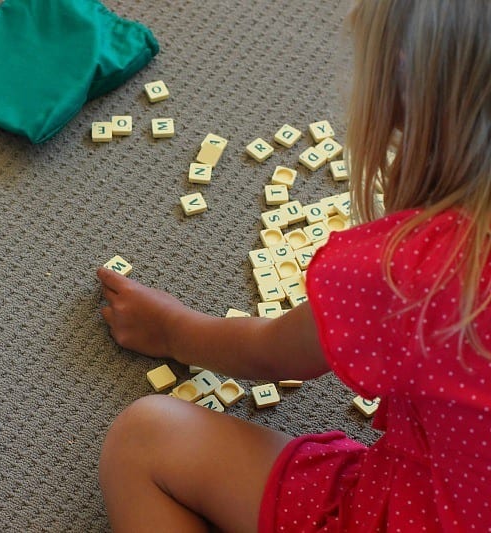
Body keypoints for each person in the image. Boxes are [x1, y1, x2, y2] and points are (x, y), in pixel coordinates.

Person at [95, 1, 491, 531]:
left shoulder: (409, 272)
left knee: (142, 439)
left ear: (401, 85)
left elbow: (271, 354)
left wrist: (171, 329)